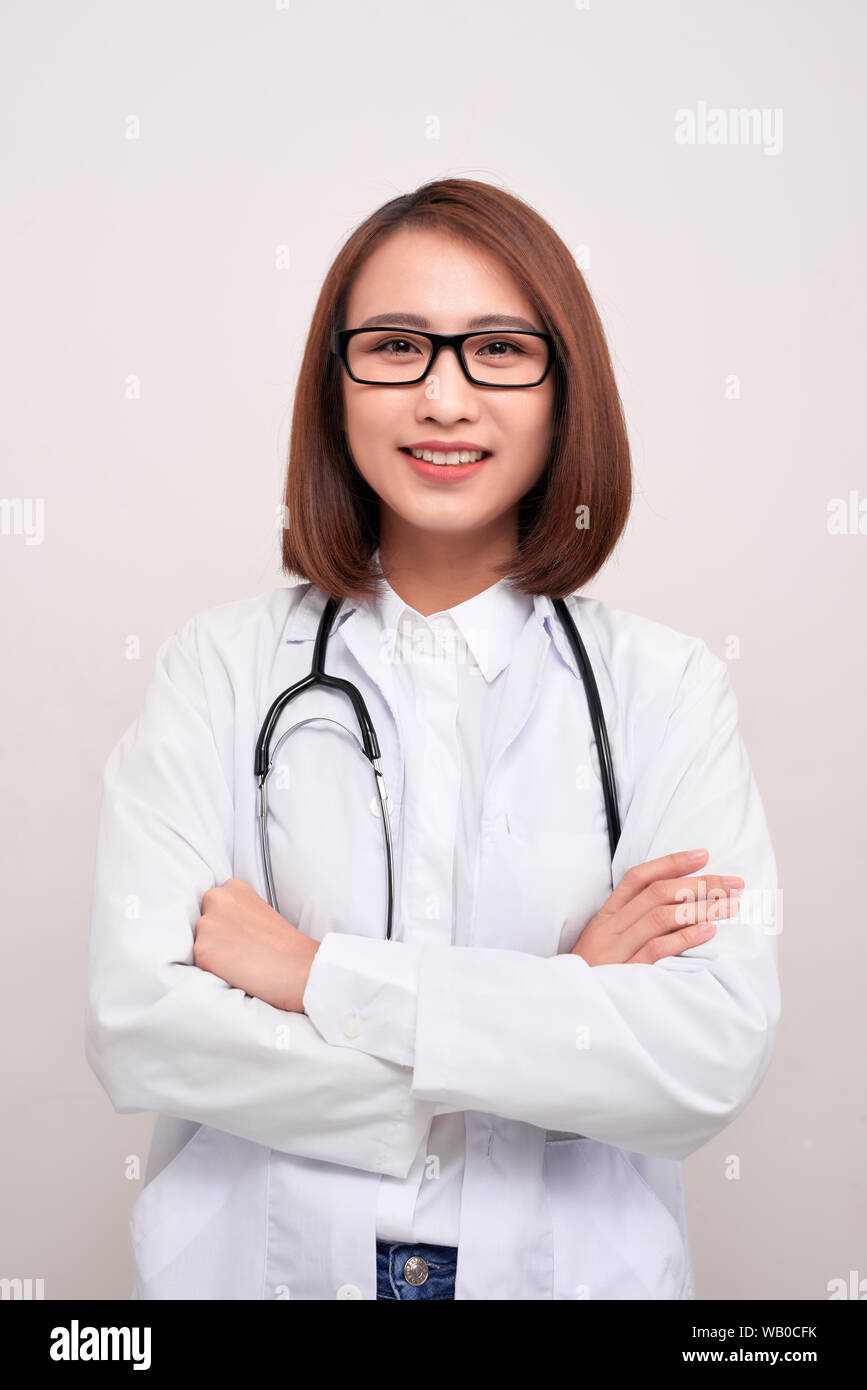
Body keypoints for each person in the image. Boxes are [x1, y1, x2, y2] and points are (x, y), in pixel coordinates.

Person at [85, 177, 780, 1301]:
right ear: (336, 387)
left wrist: (312, 974)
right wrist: (563, 1001)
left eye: (499, 350)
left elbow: (704, 1058)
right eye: (397, 346)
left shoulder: (667, 690)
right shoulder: (215, 669)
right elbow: (142, 1026)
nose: (445, 399)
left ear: (565, 393)